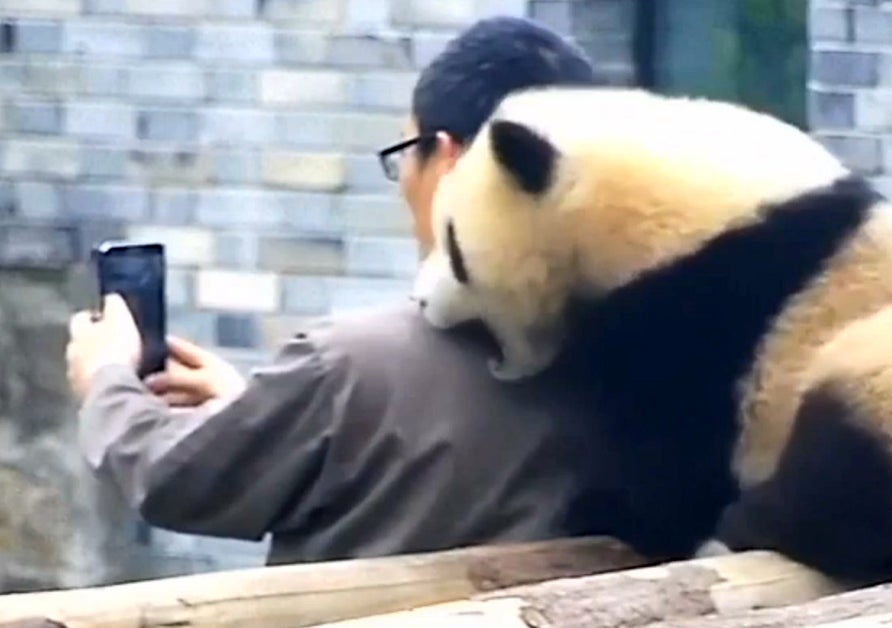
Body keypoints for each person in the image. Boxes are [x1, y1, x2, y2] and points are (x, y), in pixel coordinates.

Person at [64, 16, 612, 566]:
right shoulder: (633, 357)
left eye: (404, 154)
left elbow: (174, 480)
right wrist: (256, 413)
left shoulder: (349, 367)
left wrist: (107, 377)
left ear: (448, 160)